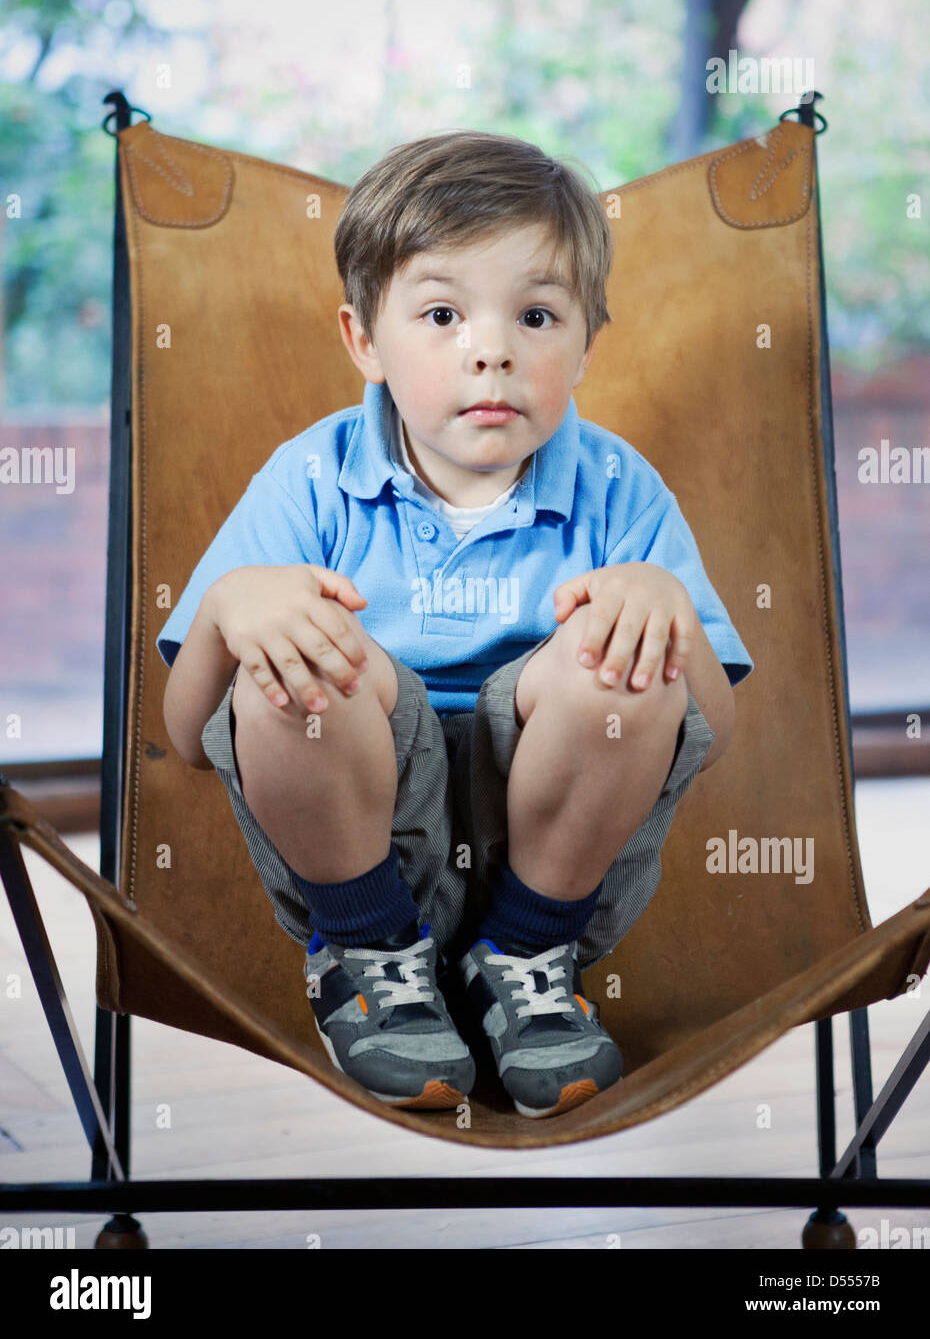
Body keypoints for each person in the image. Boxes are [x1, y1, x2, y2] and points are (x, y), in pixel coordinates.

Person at [157, 129, 753, 1120]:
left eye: (536, 314)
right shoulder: (310, 480)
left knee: (625, 650)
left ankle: (520, 962)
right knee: (304, 651)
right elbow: (183, 736)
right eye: (441, 313)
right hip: (358, 852)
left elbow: (713, 733)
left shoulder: (616, 488)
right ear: (364, 341)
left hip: (559, 862)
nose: (493, 348)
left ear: (588, 343)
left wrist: (671, 617)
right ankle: (373, 958)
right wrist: (229, 606)